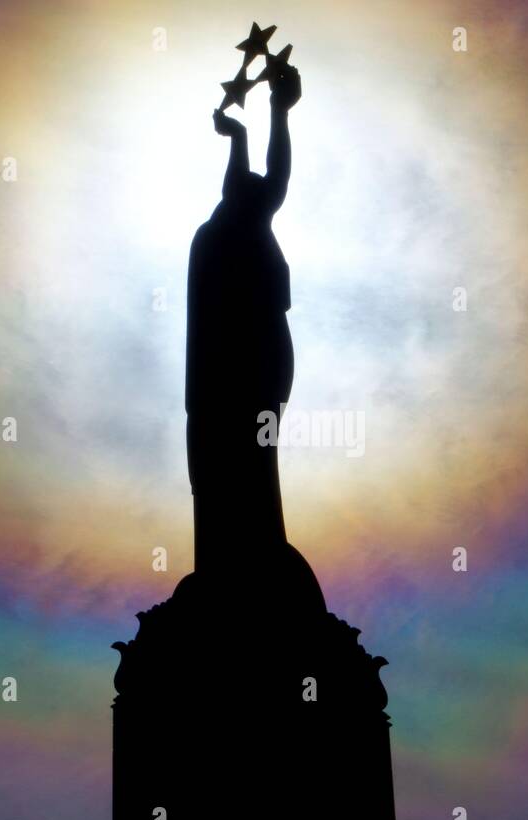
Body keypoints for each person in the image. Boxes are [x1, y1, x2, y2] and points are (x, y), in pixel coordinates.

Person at [186, 64, 302, 577]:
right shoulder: (220, 236)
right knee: (235, 461)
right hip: (224, 377)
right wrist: (251, 130)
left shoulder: (229, 231)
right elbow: (265, 184)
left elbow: (270, 181)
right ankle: (238, 551)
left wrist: (269, 118)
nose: (261, 194)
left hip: (255, 366)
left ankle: (256, 542)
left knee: (256, 457)